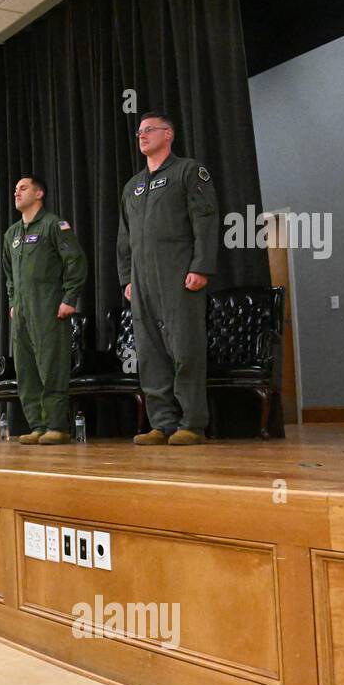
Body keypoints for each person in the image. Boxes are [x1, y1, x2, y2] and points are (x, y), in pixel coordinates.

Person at [117, 111, 219, 446]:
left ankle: (192, 423)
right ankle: (162, 423)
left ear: (168, 134)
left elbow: (204, 219)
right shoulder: (133, 186)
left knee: (185, 347)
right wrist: (126, 279)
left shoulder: (189, 171)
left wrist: (201, 266)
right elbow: (124, 237)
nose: (142, 136)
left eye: (149, 130)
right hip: (141, 279)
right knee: (150, 351)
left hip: (178, 273)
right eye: (139, 132)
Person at [2, 176, 87, 445]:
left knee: (52, 367)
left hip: (49, 307)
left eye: (23, 188)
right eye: (15, 189)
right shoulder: (12, 234)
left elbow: (75, 261)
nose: (17, 192)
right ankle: (37, 425)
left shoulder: (54, 225)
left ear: (39, 193)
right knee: (26, 369)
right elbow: (9, 275)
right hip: (23, 313)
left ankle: (56, 425)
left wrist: (70, 297)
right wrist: (13, 301)